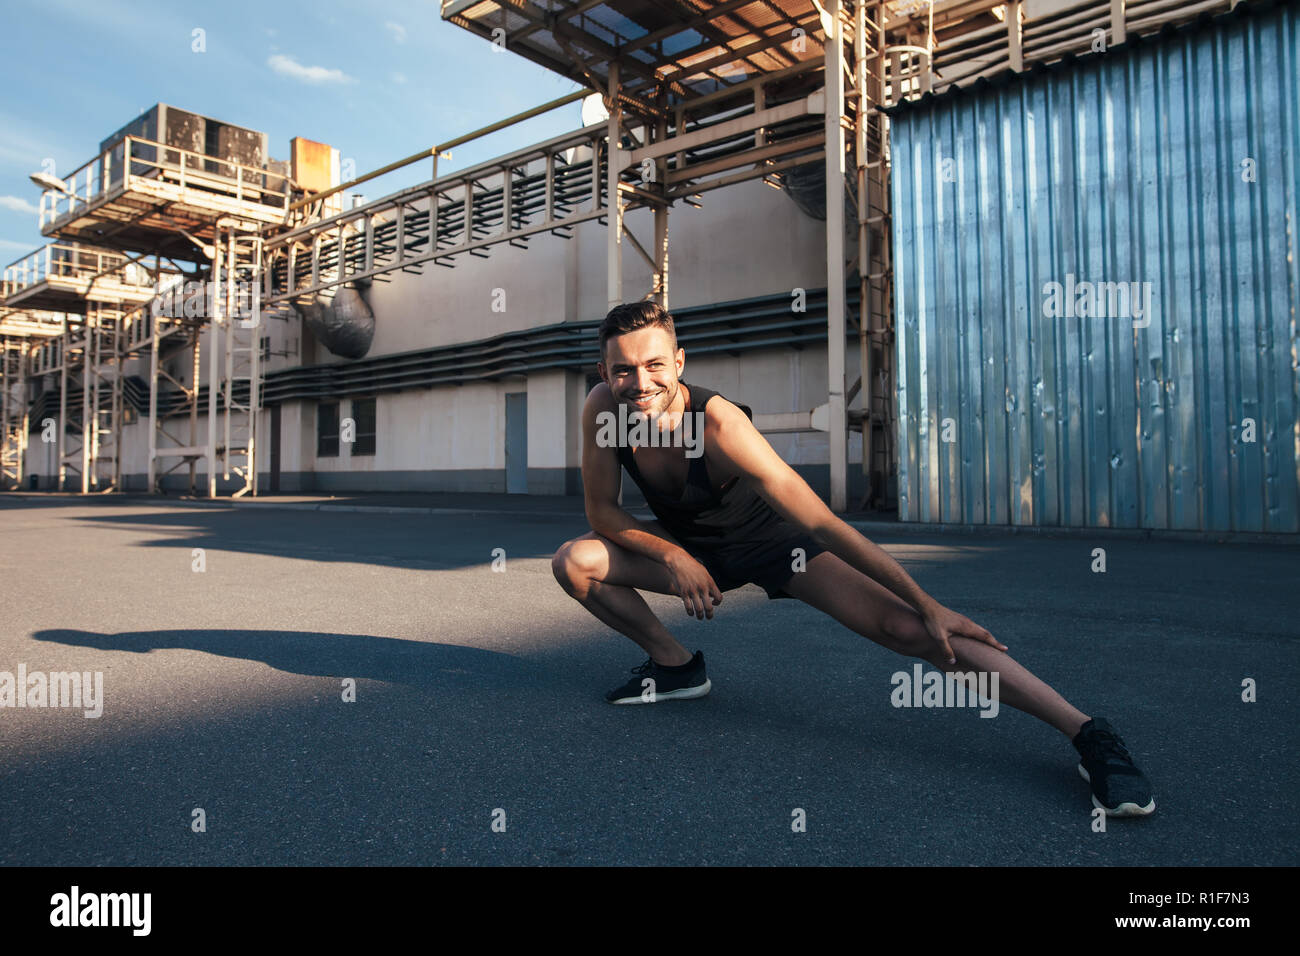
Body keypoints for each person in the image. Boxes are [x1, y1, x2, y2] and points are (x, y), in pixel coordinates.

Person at [551, 302, 1155, 817]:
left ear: (678, 363)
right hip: (687, 552)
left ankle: (1088, 733)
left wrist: (929, 604)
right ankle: (677, 667)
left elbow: (821, 522)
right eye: (624, 369)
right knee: (574, 561)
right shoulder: (605, 409)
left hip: (773, 545)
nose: (641, 382)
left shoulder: (718, 424)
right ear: (605, 372)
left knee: (909, 630)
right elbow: (604, 512)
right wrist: (673, 556)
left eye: (655, 364)